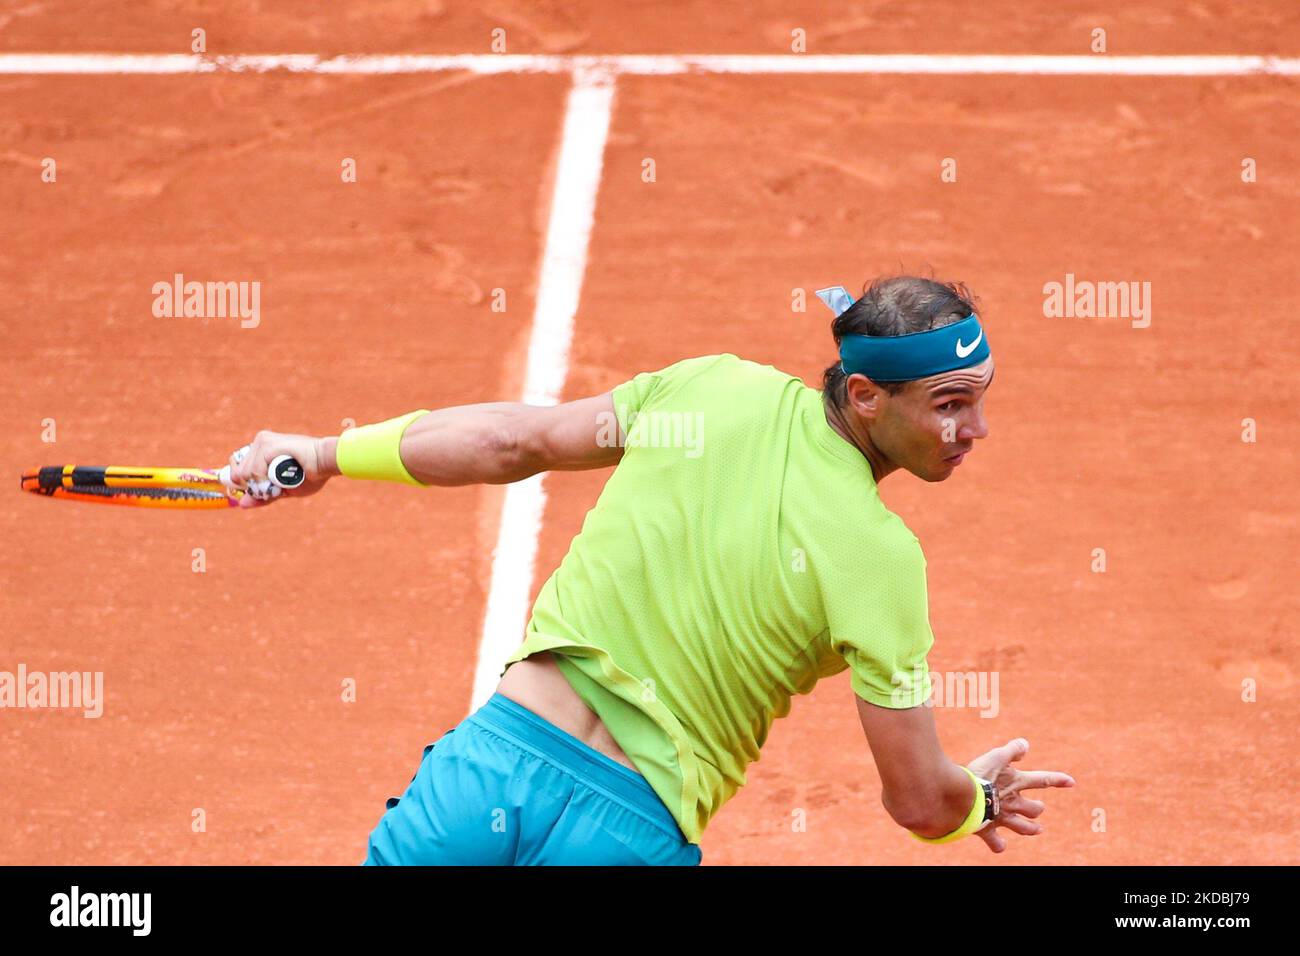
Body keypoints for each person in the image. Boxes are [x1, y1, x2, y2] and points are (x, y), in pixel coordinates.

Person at [225, 275, 1075, 865]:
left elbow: (511, 441)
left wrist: (326, 452)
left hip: (483, 777)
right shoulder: (882, 561)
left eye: (980, 397)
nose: (976, 428)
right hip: (629, 834)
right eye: (951, 405)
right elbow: (921, 802)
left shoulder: (709, 389)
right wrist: (978, 802)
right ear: (864, 397)